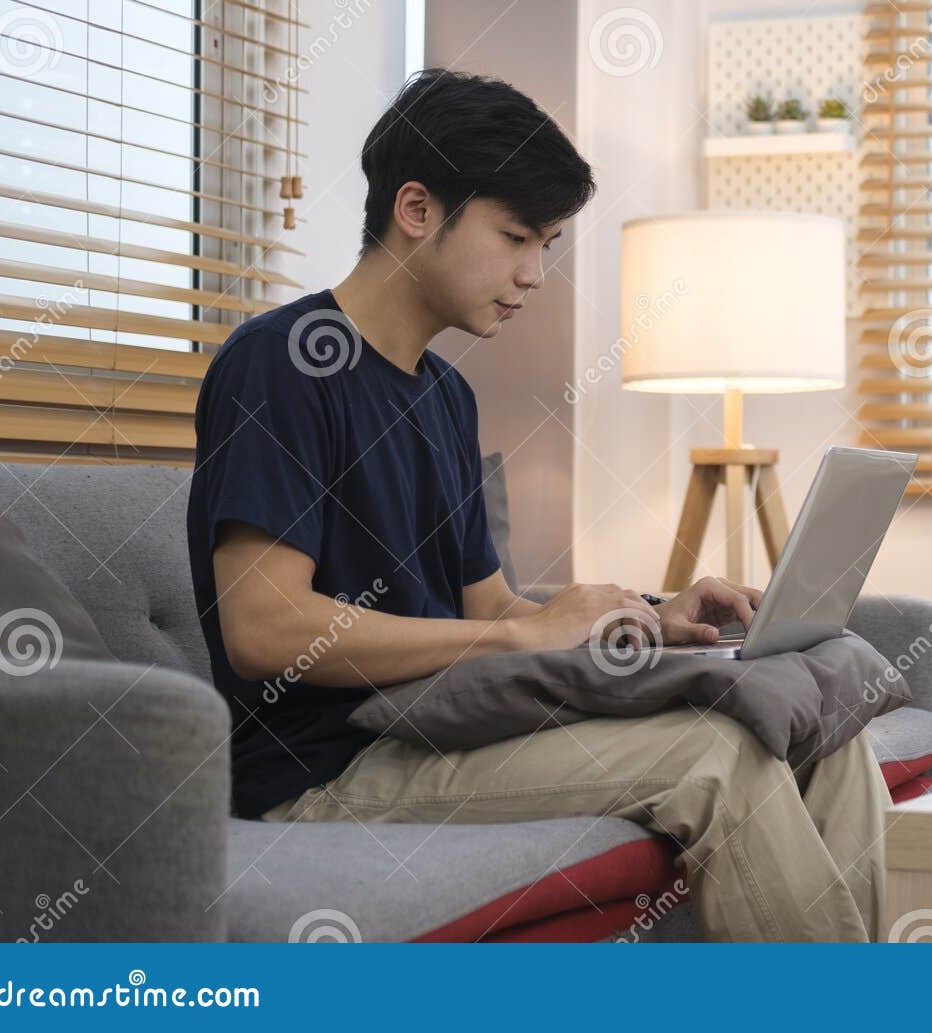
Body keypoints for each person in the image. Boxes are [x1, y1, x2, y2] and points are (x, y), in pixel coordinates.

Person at [184, 69, 888, 942]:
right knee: (720, 756)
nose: (535, 274)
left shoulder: (442, 394)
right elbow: (264, 628)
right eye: (517, 236)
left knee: (827, 732)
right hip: (321, 774)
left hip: (435, 736)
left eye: (547, 243)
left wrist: (648, 616)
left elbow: (493, 608)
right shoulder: (282, 364)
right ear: (415, 209)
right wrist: (519, 633)